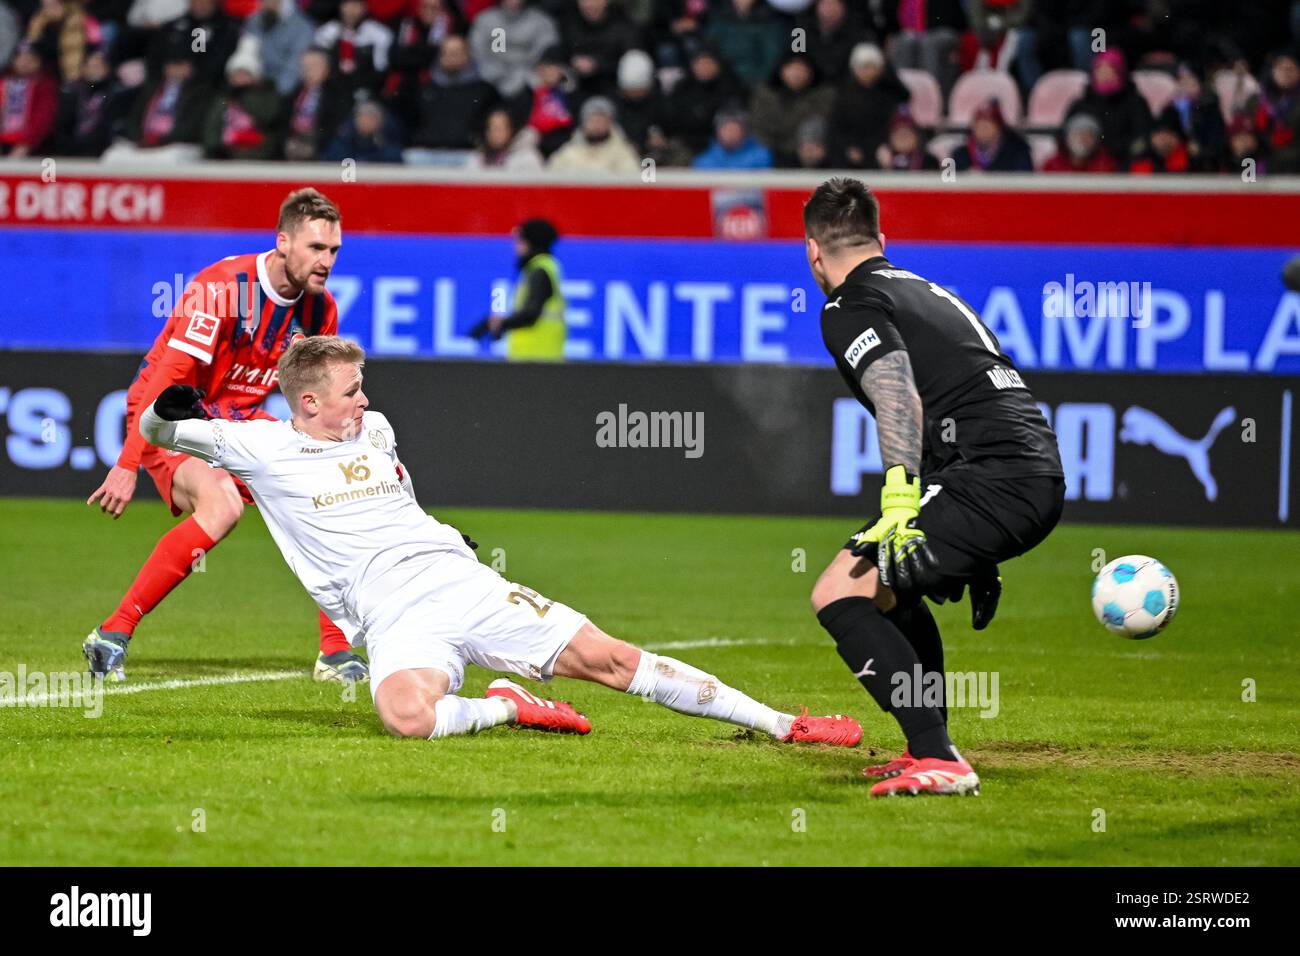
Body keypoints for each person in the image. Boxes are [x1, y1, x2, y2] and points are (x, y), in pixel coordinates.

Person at [138, 336, 865, 748]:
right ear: (310, 402)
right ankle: (512, 706)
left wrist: (441, 531)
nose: (365, 398)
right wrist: (170, 413)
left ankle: (783, 724)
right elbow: (156, 429)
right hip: (393, 616)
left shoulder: (378, 428)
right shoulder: (259, 447)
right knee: (404, 717)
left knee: (610, 659)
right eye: (353, 389)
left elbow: (397, 489)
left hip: (460, 582)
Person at [802, 178, 1064, 797]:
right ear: (880, 239)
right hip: (1024, 471)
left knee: (838, 593)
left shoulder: (849, 305)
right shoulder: (925, 290)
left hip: (991, 474)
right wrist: (968, 544)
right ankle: (931, 745)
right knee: (895, 587)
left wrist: (901, 497)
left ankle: (938, 758)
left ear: (813, 251)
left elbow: (896, 391)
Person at [84, 189, 365, 685]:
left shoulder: (321, 311)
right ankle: (113, 632)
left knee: (329, 496)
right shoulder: (222, 290)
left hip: (238, 419)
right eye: (316, 248)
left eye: (334, 250)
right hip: (175, 417)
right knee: (223, 507)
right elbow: (165, 382)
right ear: (283, 242)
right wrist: (128, 464)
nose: (327, 261)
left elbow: (322, 396)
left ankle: (335, 649)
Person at [469, 218, 566, 361]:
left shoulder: (539, 271)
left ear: (531, 242)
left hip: (536, 358)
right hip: (539, 357)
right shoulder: (543, 268)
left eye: (520, 241)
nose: (516, 247)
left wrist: (500, 323)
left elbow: (532, 312)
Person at [951, 98, 1033, 172]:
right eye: (978, 126)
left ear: (999, 128)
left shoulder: (1019, 153)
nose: (982, 131)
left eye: (987, 126)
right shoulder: (959, 154)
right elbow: (946, 180)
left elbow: (1026, 182)